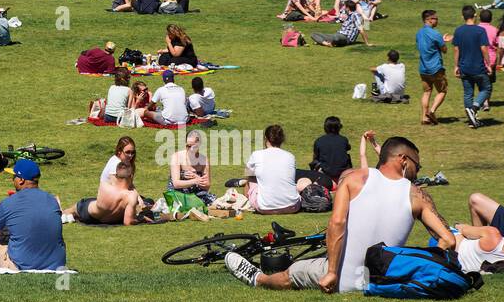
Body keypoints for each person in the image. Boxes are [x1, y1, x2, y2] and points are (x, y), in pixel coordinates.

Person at [226, 136, 455, 293]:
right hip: (384, 280)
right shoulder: (417, 196)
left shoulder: (355, 179)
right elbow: (448, 240)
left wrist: (332, 272)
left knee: (292, 272)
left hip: (341, 280)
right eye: (417, 165)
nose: (418, 171)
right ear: (403, 160)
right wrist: (415, 265)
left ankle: (258, 278)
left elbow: (337, 223)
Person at [0, 158, 66, 271]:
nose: (12, 179)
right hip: (55, 263)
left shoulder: (8, 203)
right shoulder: (53, 200)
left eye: (14, 176)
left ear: (21, 180)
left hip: (22, 264)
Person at [239, 125, 301, 215]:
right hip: (293, 206)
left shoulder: (256, 155)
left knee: (251, 177)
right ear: (282, 139)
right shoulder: (290, 156)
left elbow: (248, 174)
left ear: (265, 138)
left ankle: (246, 202)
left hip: (264, 207)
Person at [65, 161, 144, 226]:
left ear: (116, 175)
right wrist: (139, 219)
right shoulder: (131, 195)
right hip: (106, 218)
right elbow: (128, 222)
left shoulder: (105, 185)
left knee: (71, 210)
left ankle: (61, 213)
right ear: (131, 176)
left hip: (89, 213)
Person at [451, 4, 491, 127]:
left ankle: (471, 119)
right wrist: (488, 64)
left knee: (468, 93)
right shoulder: (480, 30)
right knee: (486, 89)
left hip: (464, 67)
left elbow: (456, 50)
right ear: (475, 15)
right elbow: (483, 48)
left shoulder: (458, 31)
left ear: (462, 16)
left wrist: (456, 66)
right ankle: (474, 108)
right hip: (478, 66)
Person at [415, 9, 448, 126]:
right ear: (429, 20)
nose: (437, 20)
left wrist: (440, 42)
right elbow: (444, 50)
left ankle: (424, 117)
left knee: (426, 92)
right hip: (436, 68)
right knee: (443, 90)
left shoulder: (419, 33)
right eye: (436, 18)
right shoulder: (436, 34)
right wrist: (443, 42)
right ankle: (432, 111)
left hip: (423, 68)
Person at [168, 129, 213, 204]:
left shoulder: (203, 160)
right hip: (178, 194)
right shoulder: (177, 157)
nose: (191, 149)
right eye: (188, 146)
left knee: (214, 202)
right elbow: (176, 184)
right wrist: (195, 181)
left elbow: (207, 186)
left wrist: (196, 177)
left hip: (197, 195)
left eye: (194, 147)